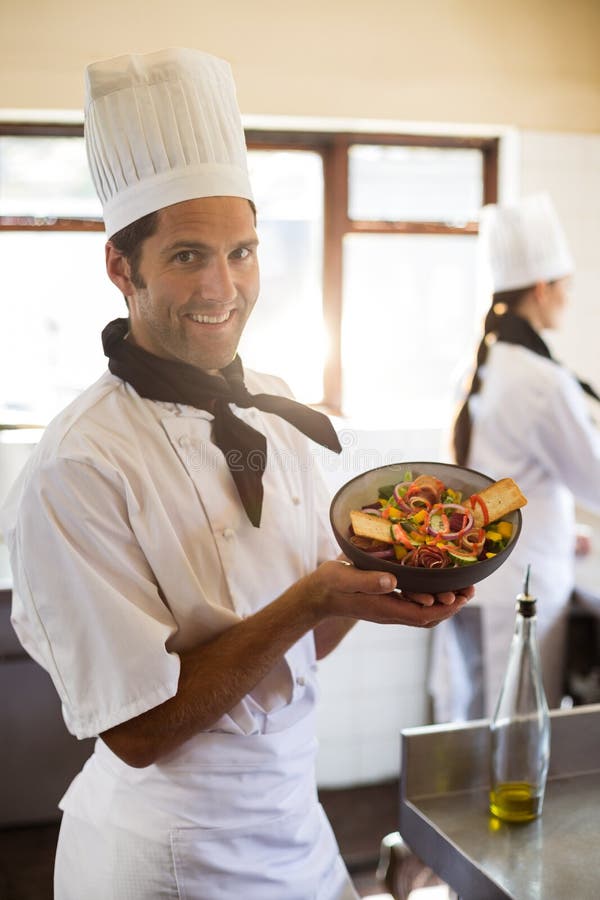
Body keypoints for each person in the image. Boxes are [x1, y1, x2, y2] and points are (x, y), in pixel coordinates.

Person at [0, 49, 472, 899]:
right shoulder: (78, 466)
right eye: (187, 256)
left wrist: (377, 588)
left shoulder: (276, 408)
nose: (224, 287)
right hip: (167, 852)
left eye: (243, 252)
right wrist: (316, 597)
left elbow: (300, 648)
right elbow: (141, 731)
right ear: (121, 267)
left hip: (294, 817)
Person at [429, 192, 600, 724]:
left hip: (481, 577)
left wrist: (553, 527)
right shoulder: (541, 381)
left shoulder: (483, 363)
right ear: (544, 289)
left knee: (484, 721)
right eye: (567, 287)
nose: (569, 300)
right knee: (516, 731)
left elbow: (501, 481)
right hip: (519, 586)